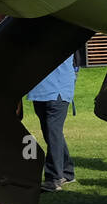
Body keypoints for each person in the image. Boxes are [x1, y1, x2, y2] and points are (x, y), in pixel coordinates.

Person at [26, 52, 78, 192]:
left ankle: (54, 178)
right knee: (52, 133)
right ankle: (67, 172)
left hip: (56, 91)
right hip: (44, 90)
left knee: (53, 133)